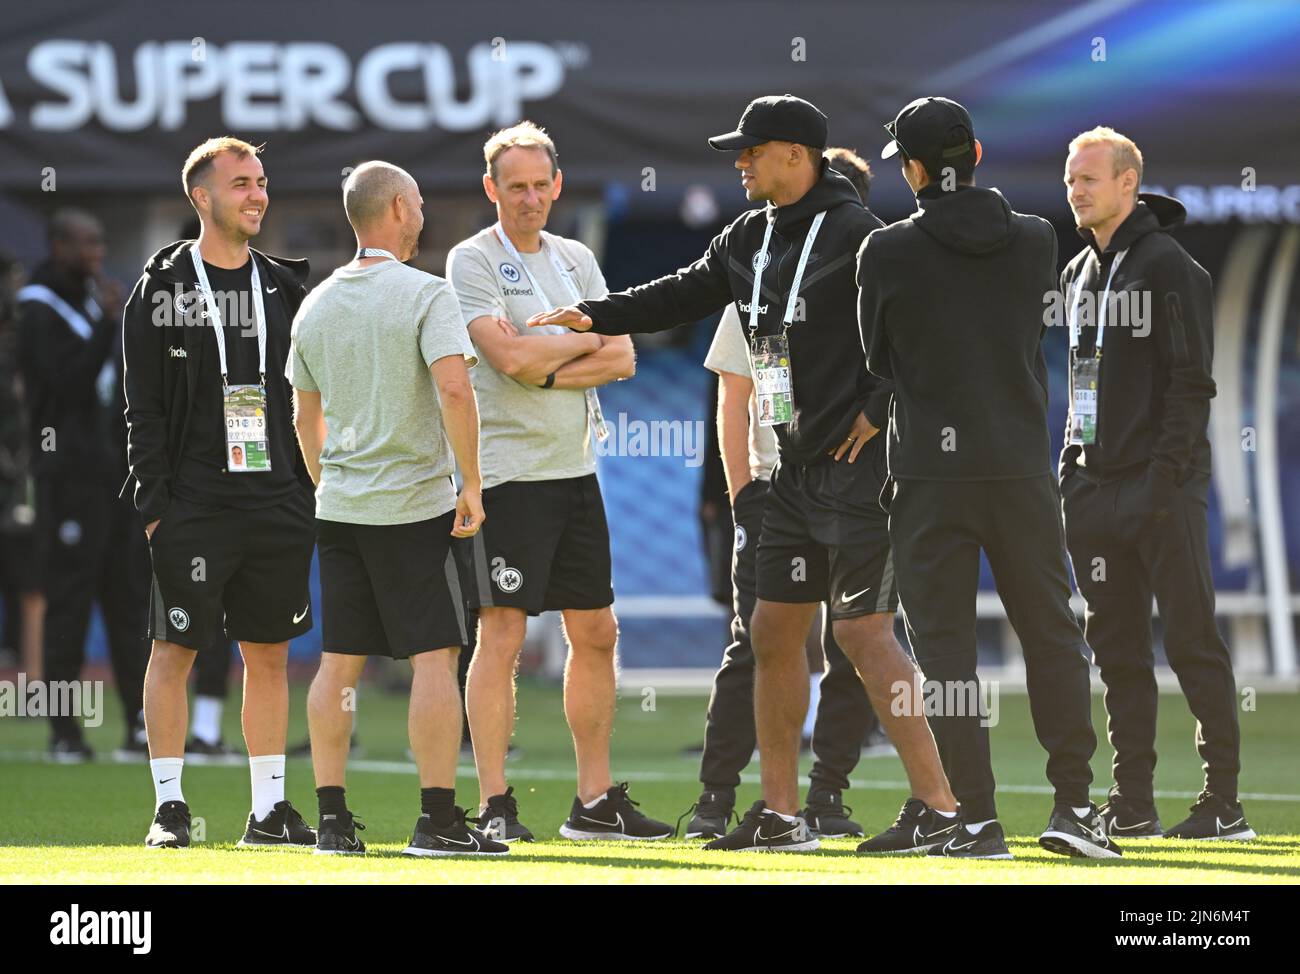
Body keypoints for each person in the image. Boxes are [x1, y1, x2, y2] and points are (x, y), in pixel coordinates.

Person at [531, 95, 957, 852]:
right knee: (771, 630)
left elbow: (924, 331)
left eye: (753, 150)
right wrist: (595, 314)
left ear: (797, 155)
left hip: (860, 472)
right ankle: (782, 814)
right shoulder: (748, 235)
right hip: (791, 471)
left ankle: (940, 807)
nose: (741, 162)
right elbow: (682, 291)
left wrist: (879, 403)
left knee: (862, 633)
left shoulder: (862, 233)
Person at [858, 96, 1119, 859]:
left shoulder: (888, 251)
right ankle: (1073, 806)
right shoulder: (1037, 239)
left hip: (928, 476)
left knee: (946, 657)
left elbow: (878, 360)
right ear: (975, 156)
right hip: (1017, 467)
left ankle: (976, 822)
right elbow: (1030, 329)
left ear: (911, 170)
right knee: (1052, 634)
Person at [447, 122, 672, 843]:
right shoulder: (470, 260)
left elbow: (624, 354)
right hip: (509, 475)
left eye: (541, 185)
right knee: (503, 632)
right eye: (516, 186)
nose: (530, 198)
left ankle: (594, 801)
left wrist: (545, 357)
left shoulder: (577, 259)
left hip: (577, 469)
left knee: (598, 632)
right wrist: (563, 351)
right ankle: (493, 802)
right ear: (492, 189)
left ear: (557, 185)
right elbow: (506, 359)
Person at [289, 161, 506, 857]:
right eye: (415, 204)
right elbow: (454, 391)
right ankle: (437, 821)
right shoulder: (426, 292)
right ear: (398, 211)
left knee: (338, 664)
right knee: (435, 660)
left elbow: (303, 417)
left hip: (342, 506)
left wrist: (329, 481)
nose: (422, 216)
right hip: (414, 507)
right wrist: (471, 483)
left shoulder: (315, 302)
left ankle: (331, 822)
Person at [684, 147, 883, 842]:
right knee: (760, 645)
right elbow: (732, 401)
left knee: (856, 643)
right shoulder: (759, 277)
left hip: (857, 492)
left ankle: (826, 793)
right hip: (776, 491)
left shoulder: (871, 284)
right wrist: (744, 498)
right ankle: (718, 796)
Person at [123, 137, 317, 849]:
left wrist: (307, 487)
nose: (257, 194)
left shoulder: (288, 285)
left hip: (276, 502)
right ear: (201, 197)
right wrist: (155, 508)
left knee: (268, 655)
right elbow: (140, 405)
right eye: (240, 183)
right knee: (174, 648)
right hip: (193, 505)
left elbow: (313, 395)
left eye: (261, 181)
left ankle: (268, 812)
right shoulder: (164, 286)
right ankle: (169, 807)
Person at [1059, 127, 1252, 841]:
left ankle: (1223, 804)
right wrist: (1070, 468)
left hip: (1161, 489)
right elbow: (1081, 382)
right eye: (1070, 179)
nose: (1075, 190)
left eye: (1088, 179)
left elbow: (1190, 384)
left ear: (1127, 184)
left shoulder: (1171, 267)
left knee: (1193, 641)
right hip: (1094, 489)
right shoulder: (1076, 274)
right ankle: (1132, 803)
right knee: (1117, 653)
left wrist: (1164, 479)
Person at [17, 209, 149, 762]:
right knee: (69, 605)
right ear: (58, 245)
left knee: (129, 602)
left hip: (115, 479)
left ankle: (139, 725)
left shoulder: (97, 301)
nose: (96, 253)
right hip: (66, 479)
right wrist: (105, 324)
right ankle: (64, 732)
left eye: (101, 243)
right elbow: (64, 383)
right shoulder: (36, 305)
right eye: (85, 244)